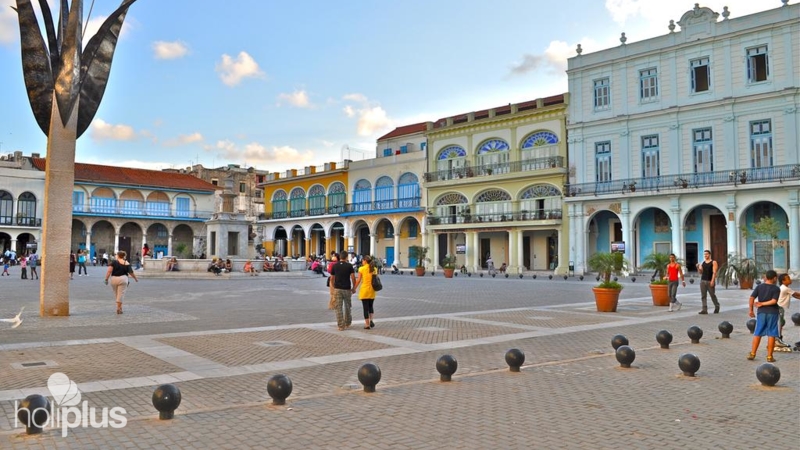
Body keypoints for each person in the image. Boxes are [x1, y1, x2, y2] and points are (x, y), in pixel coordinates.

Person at [747, 270, 781, 362]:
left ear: (766, 277)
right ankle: (769, 356)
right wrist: (762, 303)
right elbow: (774, 301)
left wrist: (751, 310)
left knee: (758, 332)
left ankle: (753, 353)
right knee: (772, 333)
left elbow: (751, 298)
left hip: (761, 313)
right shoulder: (776, 288)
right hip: (773, 312)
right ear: (774, 278)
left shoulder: (759, 287)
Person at [329, 251, 356, 331]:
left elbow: (331, 278)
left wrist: (333, 286)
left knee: (338, 308)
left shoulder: (335, 266)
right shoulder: (349, 266)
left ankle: (341, 325)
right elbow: (353, 277)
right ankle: (347, 322)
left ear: (339, 257)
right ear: (346, 257)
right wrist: (354, 287)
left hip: (337, 289)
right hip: (347, 289)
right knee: (348, 306)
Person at [353, 255, 378, 330]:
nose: (362, 262)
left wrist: (354, 288)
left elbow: (359, 280)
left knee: (365, 308)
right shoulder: (374, 269)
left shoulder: (361, 269)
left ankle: (367, 324)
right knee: (371, 306)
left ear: (365, 261)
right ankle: (371, 320)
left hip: (364, 290)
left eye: (362, 260)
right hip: (372, 290)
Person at [777, 273, 800, 347]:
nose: (790, 279)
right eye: (788, 278)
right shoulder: (785, 288)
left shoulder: (784, 287)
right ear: (783, 281)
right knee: (780, 323)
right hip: (779, 308)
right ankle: (778, 339)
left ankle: (778, 338)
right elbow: (797, 294)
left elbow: (795, 296)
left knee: (781, 323)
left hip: (779, 308)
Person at [696, 249, 719, 314]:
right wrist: (698, 267)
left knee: (712, 295)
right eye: (704, 254)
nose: (705, 255)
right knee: (703, 296)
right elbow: (701, 272)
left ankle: (717, 306)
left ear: (709, 255)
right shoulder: (703, 262)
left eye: (707, 254)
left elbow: (714, 272)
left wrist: (712, 281)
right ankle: (704, 309)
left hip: (709, 281)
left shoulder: (713, 262)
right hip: (703, 281)